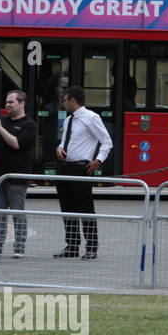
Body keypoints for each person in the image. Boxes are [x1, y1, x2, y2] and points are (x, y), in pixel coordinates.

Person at [53, 85, 113, 260]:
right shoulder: (68, 120)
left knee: (85, 208)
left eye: (65, 100)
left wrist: (98, 161)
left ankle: (92, 247)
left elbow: (106, 141)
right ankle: (72, 245)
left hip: (81, 167)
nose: (63, 103)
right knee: (67, 208)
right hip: (65, 166)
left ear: (72, 100)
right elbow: (65, 141)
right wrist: (60, 148)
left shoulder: (91, 117)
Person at [0, 90, 37, 257]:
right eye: (6, 102)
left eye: (11, 102)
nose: (7, 105)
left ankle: (19, 248)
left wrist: (0, 128)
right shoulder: (2, 121)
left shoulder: (29, 125)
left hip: (17, 177)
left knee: (17, 212)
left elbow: (16, 144)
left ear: (22, 103)